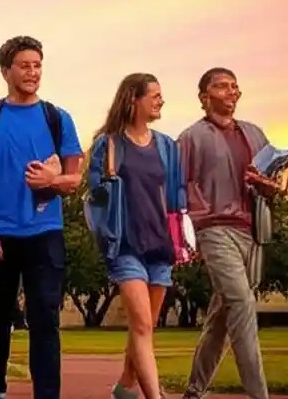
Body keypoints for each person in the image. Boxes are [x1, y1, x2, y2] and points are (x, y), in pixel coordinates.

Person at [0, 35, 83, 399]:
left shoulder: (58, 118)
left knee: (45, 317)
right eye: (24, 65)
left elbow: (75, 179)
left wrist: (53, 180)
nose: (32, 72)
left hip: (45, 231)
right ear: (6, 71)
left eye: (37, 65)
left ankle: (47, 394)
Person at [178, 68, 283, 399]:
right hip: (214, 229)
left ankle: (194, 391)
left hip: (250, 233)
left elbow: (274, 184)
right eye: (222, 86)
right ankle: (259, 395)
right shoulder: (191, 137)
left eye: (235, 86)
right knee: (242, 303)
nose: (231, 92)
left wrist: (270, 187)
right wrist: (198, 218)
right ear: (204, 97)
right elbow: (178, 185)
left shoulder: (254, 134)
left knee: (222, 316)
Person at [86, 74, 185, 399]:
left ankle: (125, 386)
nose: (160, 101)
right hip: (125, 246)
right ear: (133, 100)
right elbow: (95, 196)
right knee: (142, 325)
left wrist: (182, 240)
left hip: (161, 246)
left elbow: (177, 197)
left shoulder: (167, 147)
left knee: (146, 327)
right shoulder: (109, 144)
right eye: (154, 95)